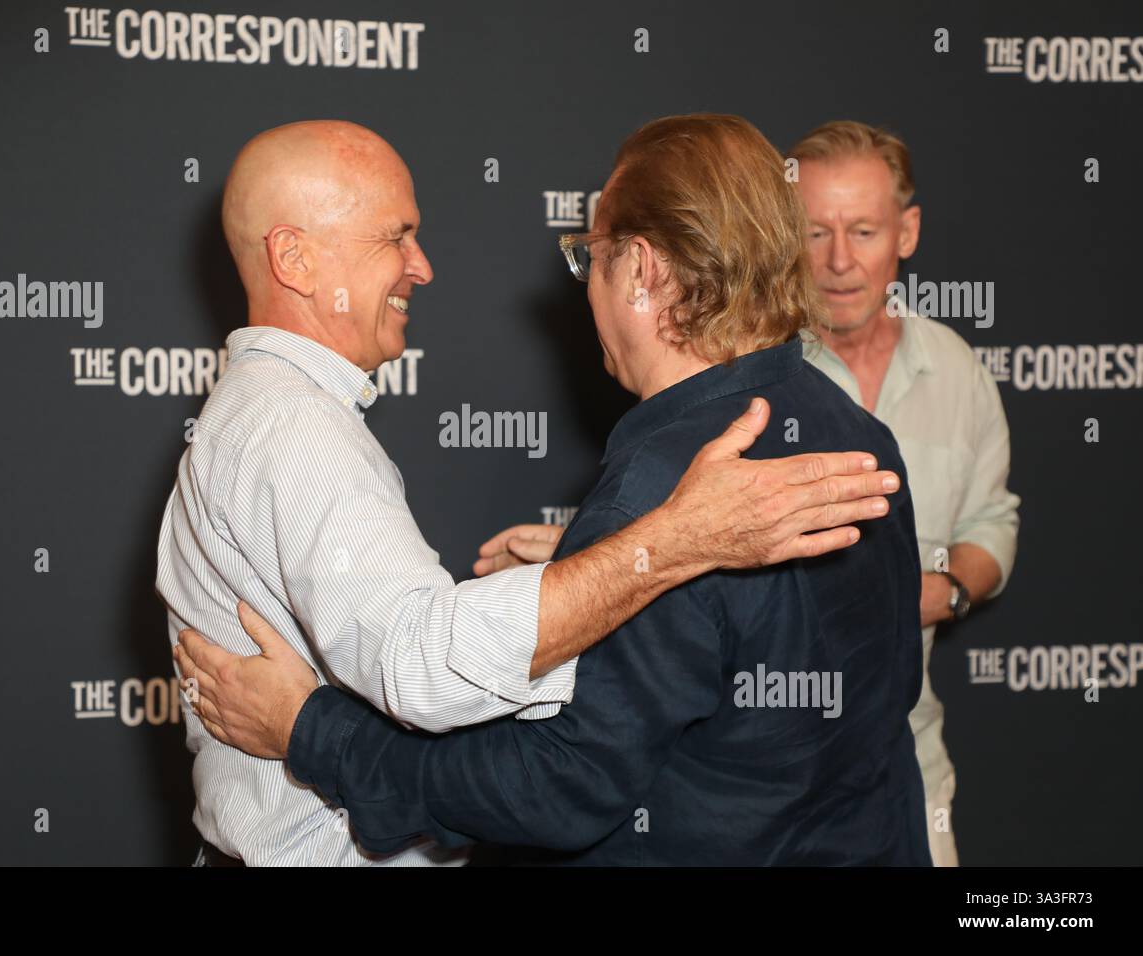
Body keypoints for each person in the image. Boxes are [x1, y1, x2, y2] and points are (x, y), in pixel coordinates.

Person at [175, 114, 930, 865]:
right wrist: (603, 560)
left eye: (590, 257)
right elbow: (867, 690)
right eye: (395, 237)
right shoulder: (856, 432)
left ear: (641, 269)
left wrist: (308, 731)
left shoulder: (666, 491)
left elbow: (553, 786)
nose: (422, 267)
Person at [788, 120, 1020, 866]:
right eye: (815, 232)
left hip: (912, 762)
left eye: (863, 231)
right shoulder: (746, 373)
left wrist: (945, 592)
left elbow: (992, 523)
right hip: (766, 777)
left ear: (907, 232)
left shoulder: (956, 371)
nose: (839, 260)